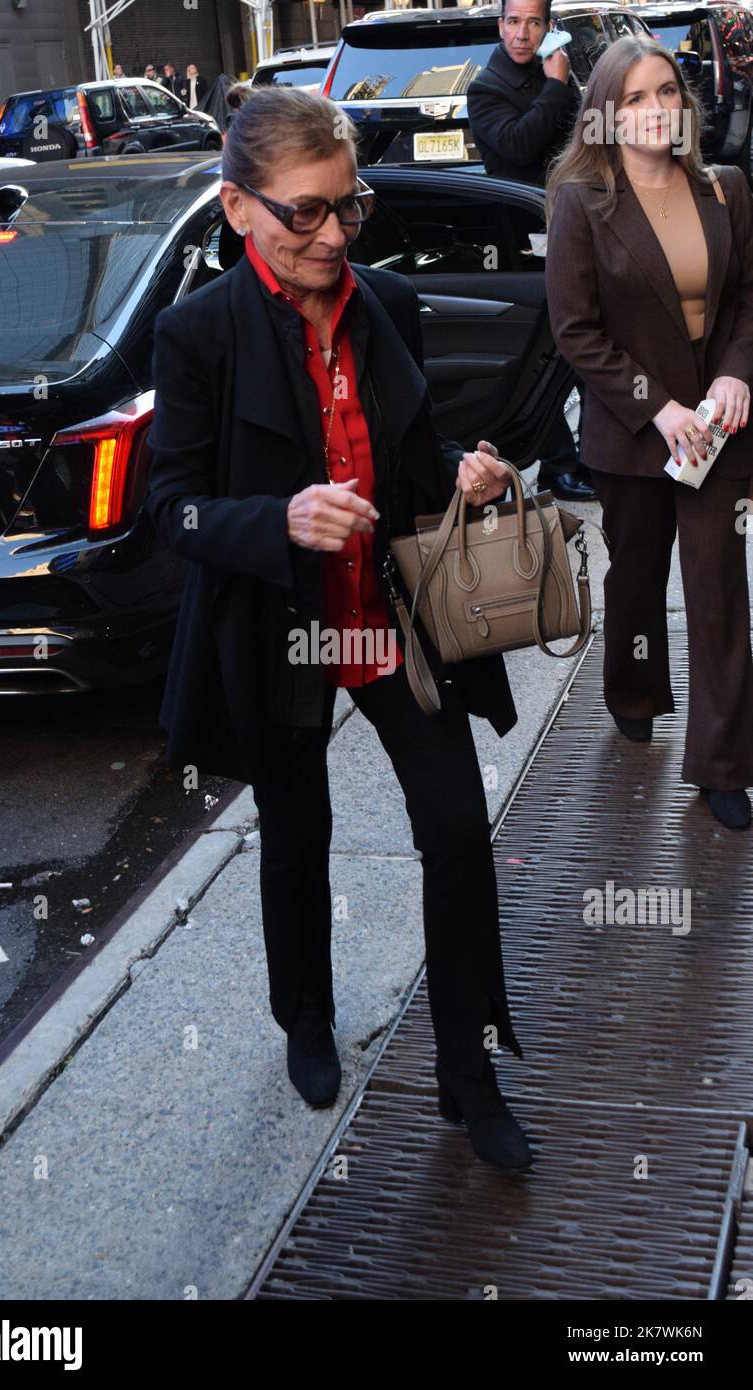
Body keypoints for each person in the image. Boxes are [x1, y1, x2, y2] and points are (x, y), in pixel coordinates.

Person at [146, 85, 534, 1169]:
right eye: (304, 212)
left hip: (392, 615)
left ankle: (468, 1069)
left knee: (457, 830)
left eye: (346, 206)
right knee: (297, 831)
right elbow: (170, 509)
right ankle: (307, 1019)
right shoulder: (198, 334)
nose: (331, 234)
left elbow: (413, 457)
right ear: (239, 207)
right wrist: (278, 518)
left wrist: (467, 473)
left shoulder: (386, 304)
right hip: (280, 629)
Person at [545, 35, 753, 830]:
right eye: (634, 97)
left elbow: (748, 298)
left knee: (718, 589)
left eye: (666, 91)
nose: (655, 109)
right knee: (637, 576)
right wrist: (657, 407)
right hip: (635, 432)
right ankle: (633, 690)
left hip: (720, 430)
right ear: (605, 112)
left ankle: (723, 765)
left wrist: (735, 374)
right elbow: (577, 330)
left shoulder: (725, 188)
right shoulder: (582, 203)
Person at [467, 0, 595, 502]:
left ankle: (592, 457)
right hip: (521, 235)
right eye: (514, 22)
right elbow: (518, 145)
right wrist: (556, 87)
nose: (522, 33)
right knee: (544, 351)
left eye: (533, 22)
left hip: (573, 225)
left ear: (547, 27)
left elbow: (585, 138)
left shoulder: (553, 71)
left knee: (584, 340)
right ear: (501, 26)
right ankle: (558, 465)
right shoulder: (487, 87)